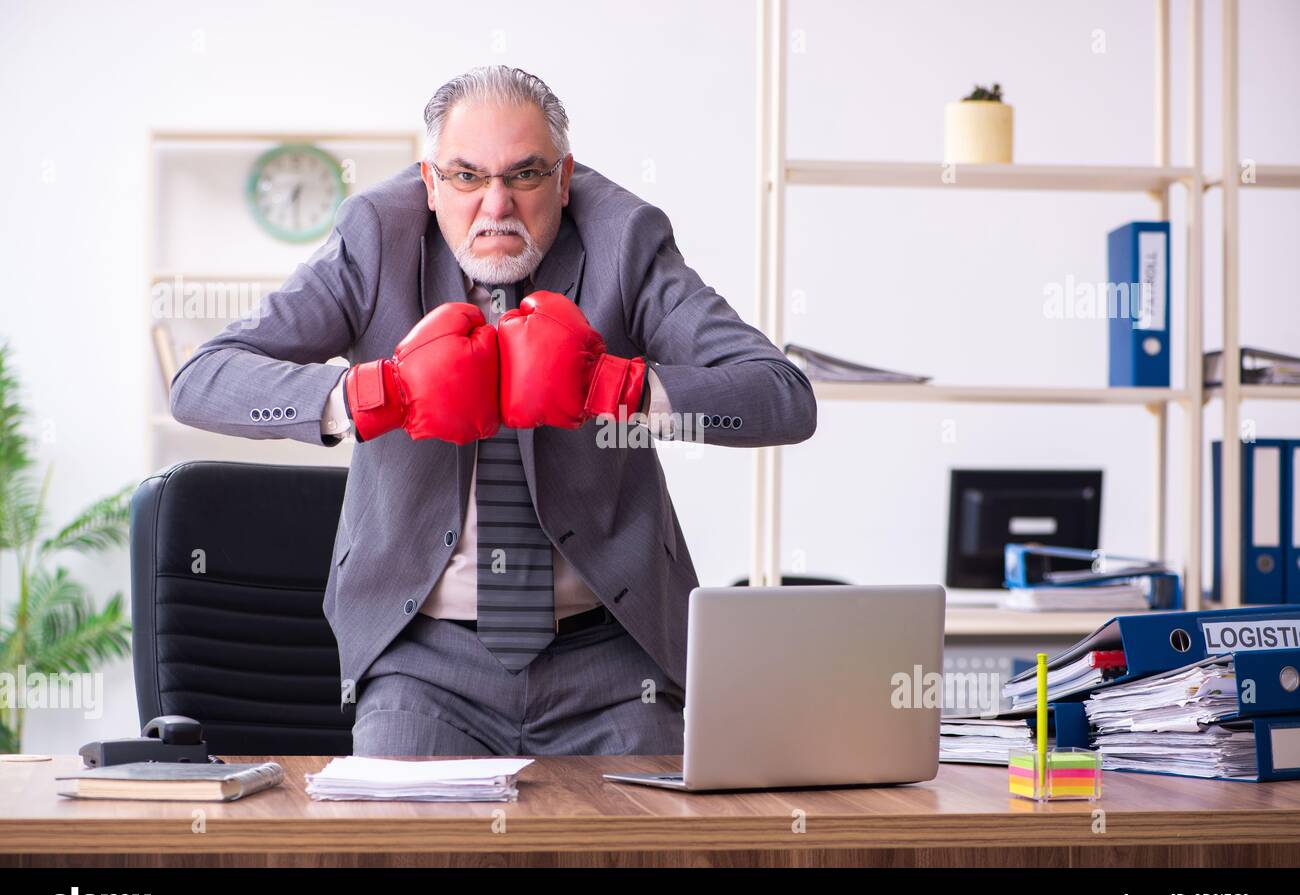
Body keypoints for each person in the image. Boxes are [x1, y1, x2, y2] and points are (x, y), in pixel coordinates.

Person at [170, 65, 817, 756]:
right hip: (423, 664)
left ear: (564, 180)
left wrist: (619, 388)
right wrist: (370, 395)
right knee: (397, 822)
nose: (496, 204)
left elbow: (782, 396)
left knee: (650, 823)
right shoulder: (376, 239)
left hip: (614, 661)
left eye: (526, 174)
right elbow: (201, 380)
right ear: (431, 183)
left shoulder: (624, 240)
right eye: (467, 176)